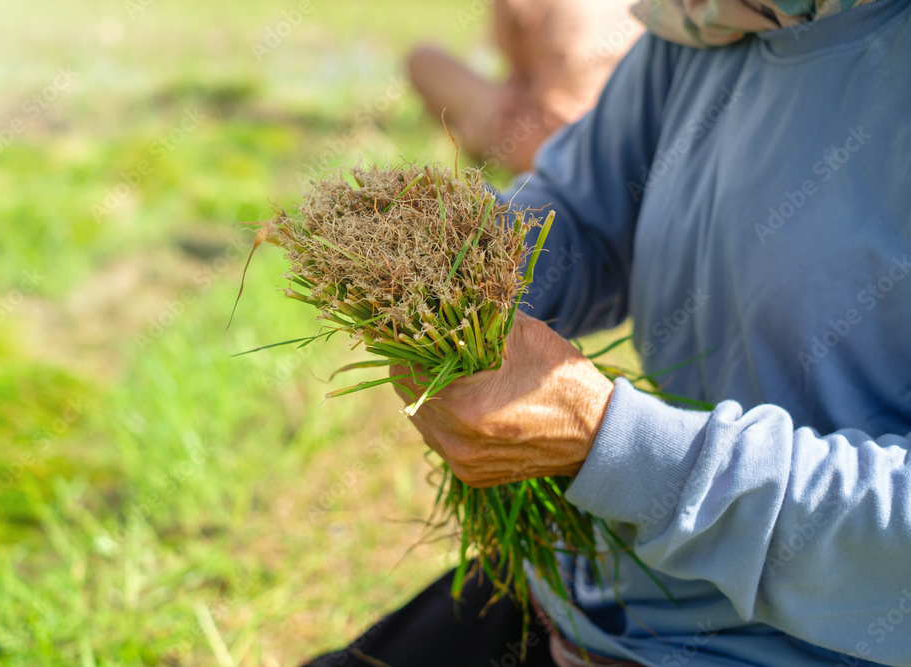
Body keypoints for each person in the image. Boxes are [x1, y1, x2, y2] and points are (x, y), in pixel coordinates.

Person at [305, 0, 911, 665]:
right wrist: (454, 267)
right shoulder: (717, 19)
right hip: (608, 584)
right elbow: (587, 212)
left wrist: (616, 446)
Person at [407, 0, 641, 174]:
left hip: (560, 145)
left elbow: (526, 85)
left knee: (422, 60)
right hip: (628, 141)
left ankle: (479, 138)